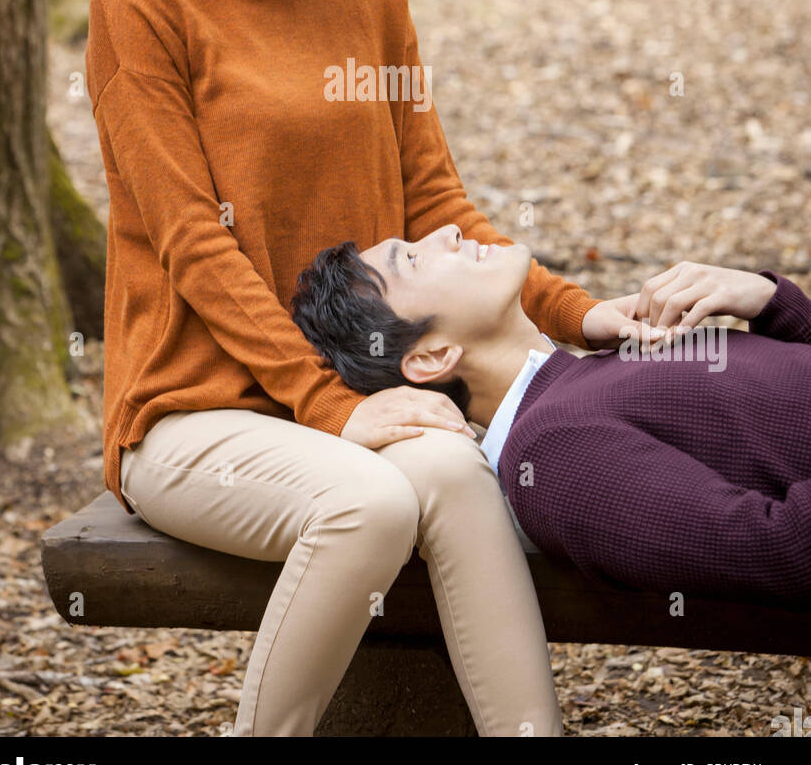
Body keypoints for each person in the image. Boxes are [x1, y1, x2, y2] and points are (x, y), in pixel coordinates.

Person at [85, 0, 654, 738]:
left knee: (447, 468)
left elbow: (433, 199)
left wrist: (574, 311)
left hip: (348, 399)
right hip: (193, 411)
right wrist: (331, 407)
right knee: (371, 504)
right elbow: (191, 241)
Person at [291, 226, 811, 607]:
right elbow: (778, 551)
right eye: (413, 260)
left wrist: (772, 301)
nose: (448, 231)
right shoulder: (554, 454)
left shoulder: (595, 371)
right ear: (430, 357)